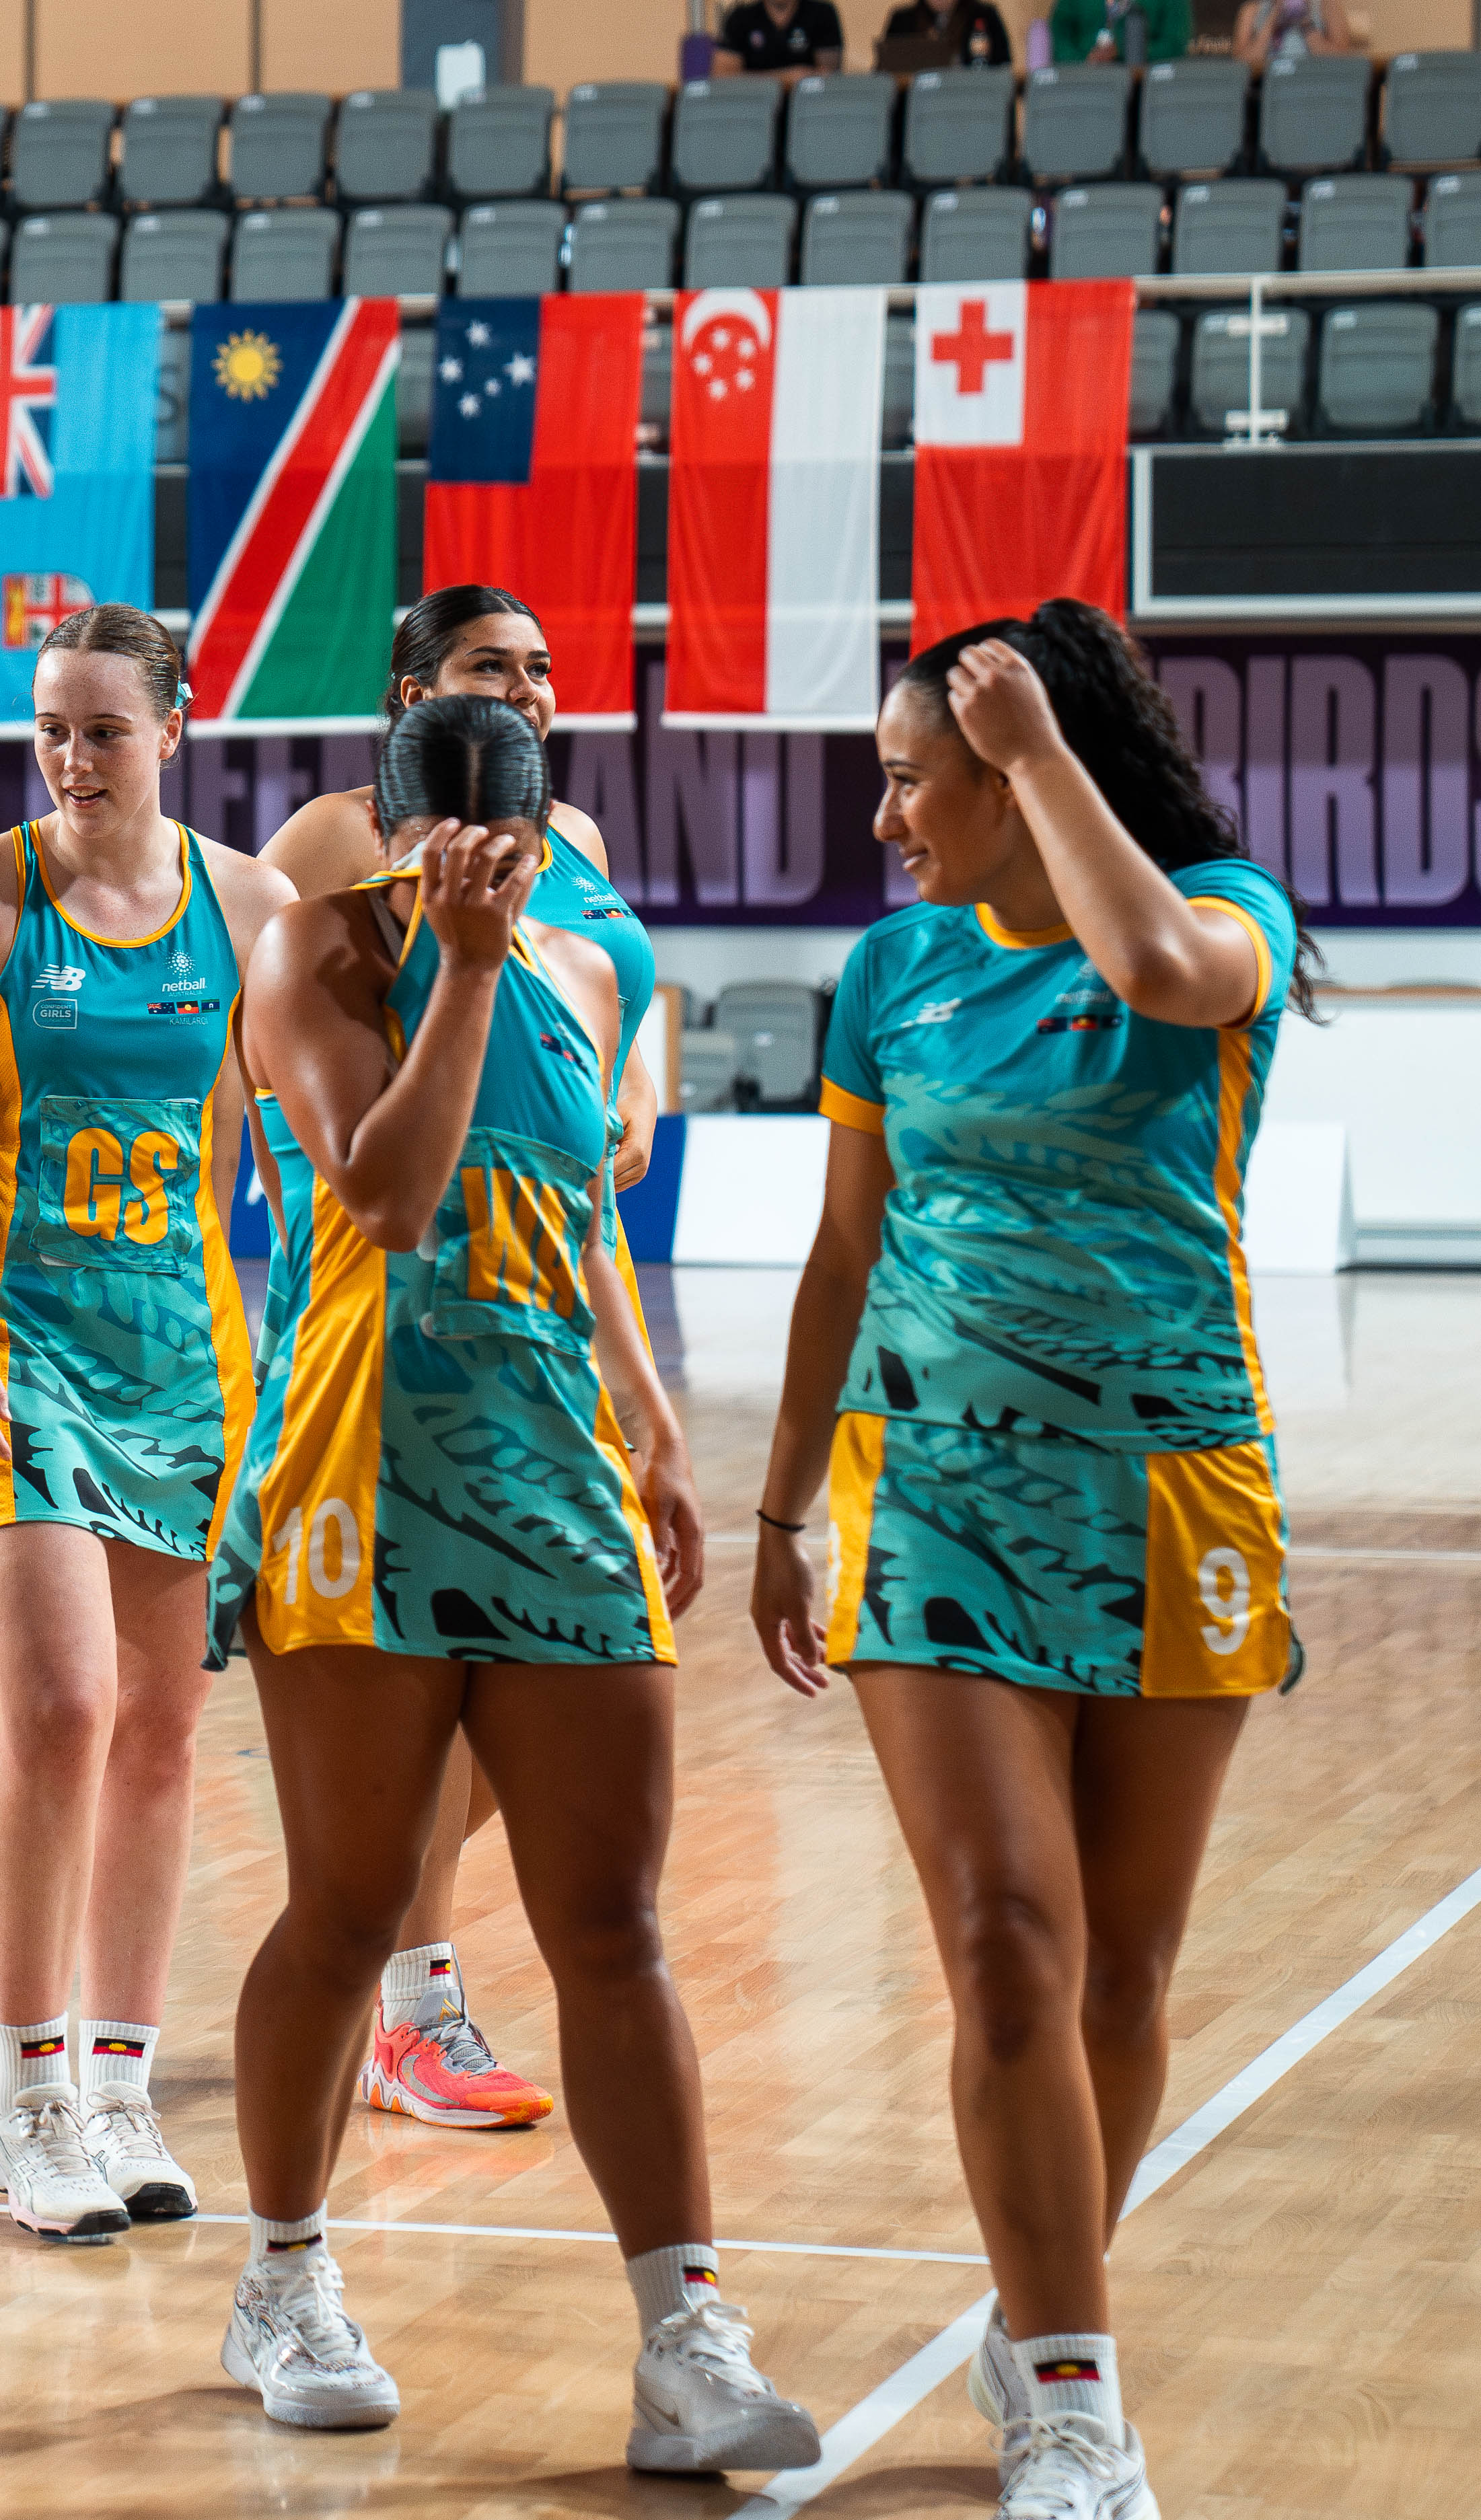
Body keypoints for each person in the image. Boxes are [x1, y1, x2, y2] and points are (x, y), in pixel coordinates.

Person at [217, 694, 817, 2474]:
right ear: (386, 830)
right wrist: (462, 970)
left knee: (613, 1923)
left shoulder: (578, 975)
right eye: (440, 841)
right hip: (358, 1460)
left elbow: (575, 1220)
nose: (472, 867)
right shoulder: (318, 951)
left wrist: (650, 1413)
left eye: (505, 842)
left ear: (548, 836)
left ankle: (682, 2338)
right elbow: (388, 1196)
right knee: (349, 1908)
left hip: (550, 1463)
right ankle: (283, 2278)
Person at [750, 605, 1305, 2520]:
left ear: (1014, 771)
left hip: (1174, 1494)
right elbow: (844, 1250)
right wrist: (781, 1509)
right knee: (1007, 1940)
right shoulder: (890, 969)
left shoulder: (1224, 911)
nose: (886, 817)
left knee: (1122, 1980)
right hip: (938, 1503)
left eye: (915, 777)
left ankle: (1033, 2308)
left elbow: (1155, 969)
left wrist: (1046, 748)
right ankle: (1073, 2401)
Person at [0, 605, 291, 2242]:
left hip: (186, 1366)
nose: (68, 756)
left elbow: (282, 1149)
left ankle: (119, 2086)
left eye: (102, 727)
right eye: (49, 726)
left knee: (161, 1739)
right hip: (9, 1358)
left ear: (174, 726)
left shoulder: (250, 909)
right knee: (61, 1708)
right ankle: (27, 2103)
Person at [242, 585, 659, 2137]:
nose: (530, 687)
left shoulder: (575, 848)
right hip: (390, 1319)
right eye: (493, 666)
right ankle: (409, 1999)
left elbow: (609, 1029)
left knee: (524, 1723)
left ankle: (391, 1957)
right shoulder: (333, 848)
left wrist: (630, 1095)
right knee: (404, 1720)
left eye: (542, 665)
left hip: (549, 1281)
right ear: (411, 691)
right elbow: (296, 1098)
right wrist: (307, 1299)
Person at [717, 0, 848, 73]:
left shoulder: (822, 14)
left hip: (808, 108)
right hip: (753, 108)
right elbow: (726, 76)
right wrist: (785, 79)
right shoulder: (740, 18)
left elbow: (827, 75)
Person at [1048, 0, 1188, 65]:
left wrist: (1123, 51)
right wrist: (1085, 61)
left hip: (1147, 88)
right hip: (1085, 87)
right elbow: (1059, 40)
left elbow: (1175, 45)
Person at [878, 0, 1015, 65]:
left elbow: (1003, 69)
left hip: (972, 103)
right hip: (919, 107)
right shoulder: (903, 21)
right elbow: (885, 74)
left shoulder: (984, 16)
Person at [1227, 0, 1355, 56]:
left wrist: (1306, 24)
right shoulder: (1251, 10)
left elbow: (1342, 60)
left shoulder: (1328, 6)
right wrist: (1273, 20)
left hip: (1316, 84)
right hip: (1268, 87)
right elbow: (1242, 63)